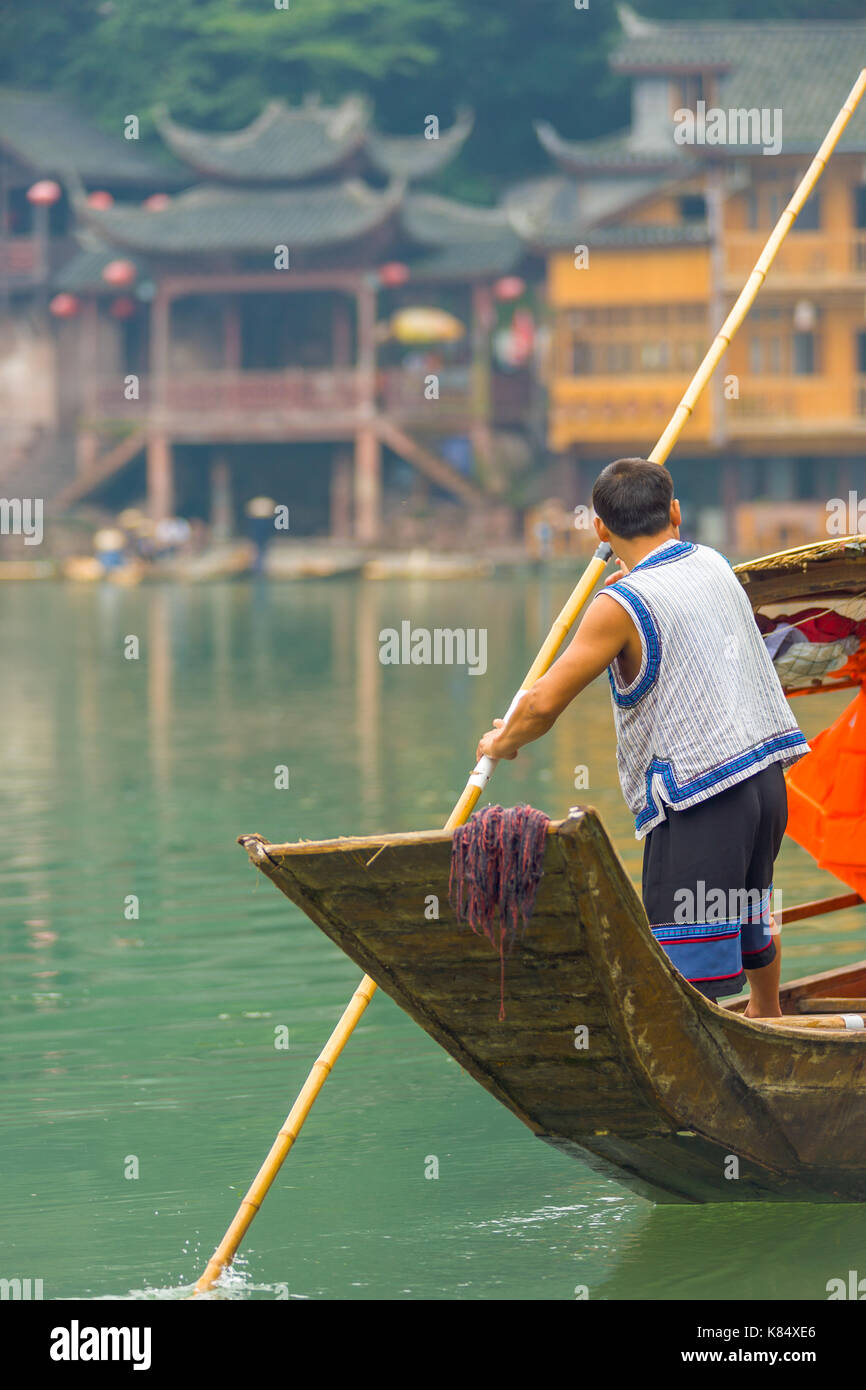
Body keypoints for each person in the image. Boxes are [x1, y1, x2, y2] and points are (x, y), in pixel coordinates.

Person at [476, 457, 810, 1015]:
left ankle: (712, 1057)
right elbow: (685, 609)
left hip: (705, 794)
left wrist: (502, 742)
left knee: (684, 971)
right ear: (675, 513)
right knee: (751, 908)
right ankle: (767, 1012)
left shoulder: (619, 605)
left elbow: (542, 704)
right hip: (764, 780)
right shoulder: (714, 563)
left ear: (600, 530)